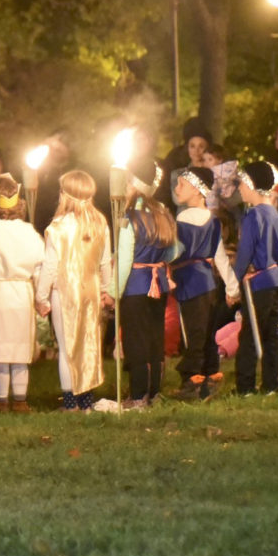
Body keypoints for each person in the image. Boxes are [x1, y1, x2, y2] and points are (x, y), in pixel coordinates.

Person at [34, 171, 113, 412]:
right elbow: (104, 261)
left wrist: (40, 295)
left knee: (67, 347)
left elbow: (50, 266)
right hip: (89, 290)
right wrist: (105, 289)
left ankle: (71, 402)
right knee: (88, 344)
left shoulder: (58, 227)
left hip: (65, 291)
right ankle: (85, 399)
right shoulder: (99, 223)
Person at [0, 173, 46, 412]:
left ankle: (1, 399)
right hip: (22, 293)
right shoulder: (30, 232)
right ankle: (20, 399)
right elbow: (40, 267)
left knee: (1, 349)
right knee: (20, 349)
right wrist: (39, 297)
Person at [113, 153, 177, 409]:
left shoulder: (130, 219)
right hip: (158, 285)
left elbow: (125, 260)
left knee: (136, 341)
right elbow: (173, 251)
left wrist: (113, 291)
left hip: (136, 286)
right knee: (154, 339)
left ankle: (138, 395)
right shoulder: (162, 215)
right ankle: (154, 392)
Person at [170, 166, 236, 400]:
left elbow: (175, 251)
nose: (176, 188)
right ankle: (211, 376)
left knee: (194, 333)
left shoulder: (183, 218)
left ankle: (192, 382)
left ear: (198, 189)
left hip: (190, 281)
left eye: (182, 184)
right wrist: (231, 286)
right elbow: (219, 256)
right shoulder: (213, 221)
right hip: (208, 282)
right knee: (207, 332)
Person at [233, 161, 278, 395]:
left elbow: (246, 251)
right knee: (270, 335)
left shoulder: (253, 216)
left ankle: (245, 386)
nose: (240, 189)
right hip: (276, 279)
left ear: (252, 185)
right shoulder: (274, 213)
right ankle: (270, 384)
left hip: (259, 282)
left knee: (249, 335)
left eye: (242, 184)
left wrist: (236, 277)